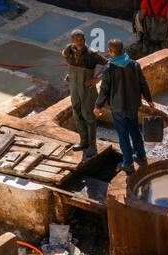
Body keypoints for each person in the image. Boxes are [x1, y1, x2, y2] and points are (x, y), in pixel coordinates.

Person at [96, 38, 152, 173]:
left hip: (118, 107)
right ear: (123, 50)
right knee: (135, 131)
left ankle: (128, 163)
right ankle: (142, 157)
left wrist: (98, 106)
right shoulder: (134, 65)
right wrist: (149, 100)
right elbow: (143, 83)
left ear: (110, 51)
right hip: (133, 105)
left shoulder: (109, 69)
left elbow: (104, 89)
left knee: (123, 135)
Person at [61, 28, 106, 159]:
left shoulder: (92, 53)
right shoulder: (69, 49)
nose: (80, 42)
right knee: (76, 112)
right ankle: (83, 141)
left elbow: (108, 64)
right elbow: (65, 57)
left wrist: (97, 78)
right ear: (72, 40)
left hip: (87, 89)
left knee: (89, 116)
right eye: (77, 40)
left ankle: (92, 146)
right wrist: (70, 74)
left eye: (82, 39)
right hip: (74, 87)